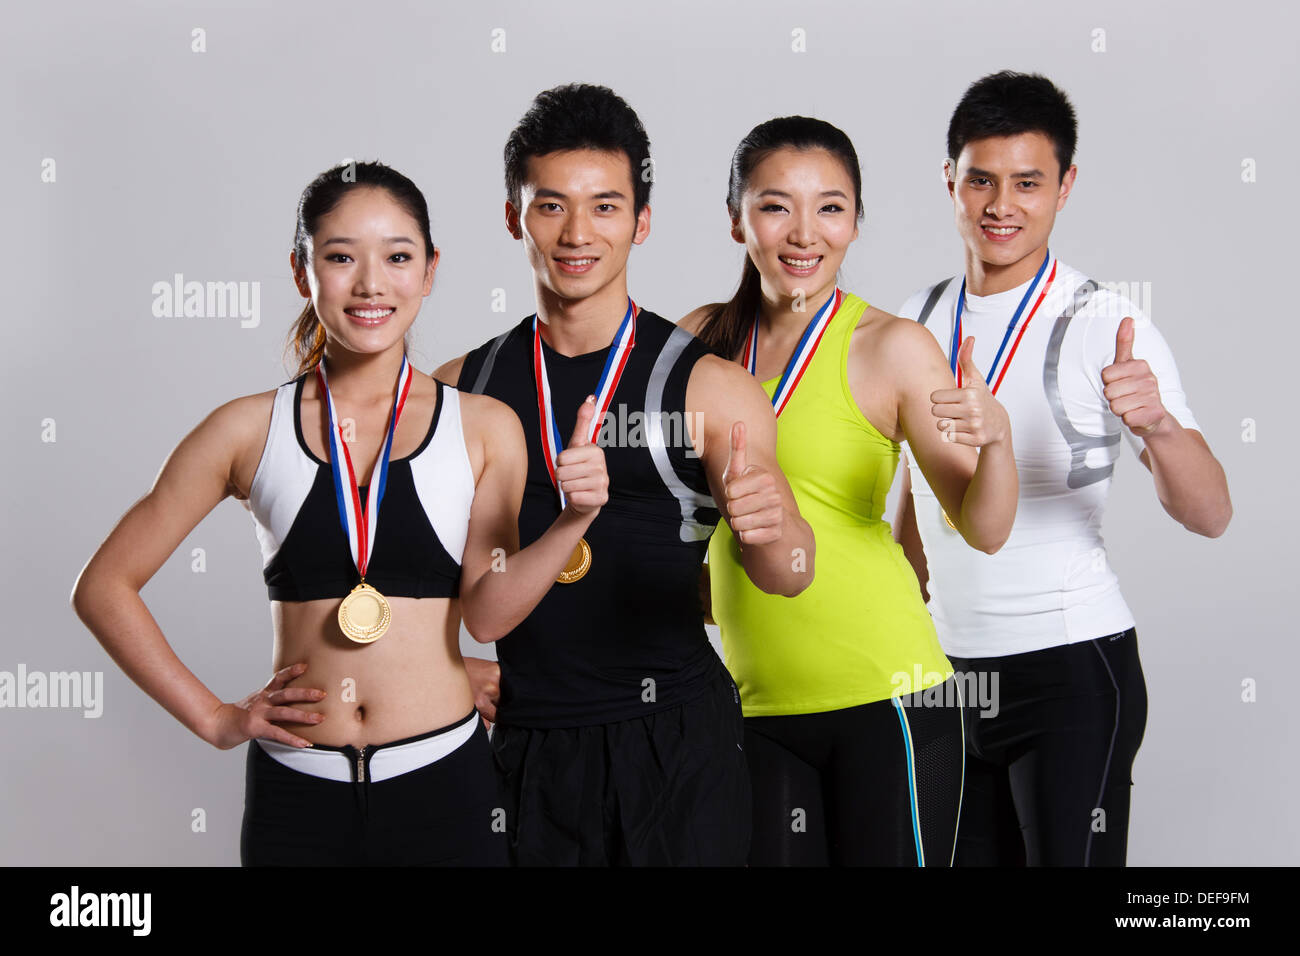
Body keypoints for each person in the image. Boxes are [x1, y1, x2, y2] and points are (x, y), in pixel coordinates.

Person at [70, 161, 609, 866]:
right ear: (302, 270)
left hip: (445, 781)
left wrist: (573, 520)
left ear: (430, 269)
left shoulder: (483, 426)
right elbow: (104, 587)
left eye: (397, 257)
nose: (371, 284)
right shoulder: (244, 430)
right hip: (299, 793)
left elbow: (487, 614)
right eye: (340, 257)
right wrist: (216, 717)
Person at [435, 83, 816, 866]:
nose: (578, 232)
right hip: (528, 739)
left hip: (677, 739)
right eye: (551, 206)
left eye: (605, 206)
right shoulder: (459, 389)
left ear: (641, 222)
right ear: (515, 216)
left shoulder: (711, 386)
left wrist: (774, 523)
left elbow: (787, 576)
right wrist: (446, 669)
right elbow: (417, 570)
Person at [894, 71, 1232, 866]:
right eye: (980, 180)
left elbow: (1211, 513)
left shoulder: (1108, 323)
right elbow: (914, 501)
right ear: (949, 181)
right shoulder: (911, 318)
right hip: (943, 672)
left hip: (1070, 670)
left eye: (1027, 183)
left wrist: (1155, 423)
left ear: (1065, 186)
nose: (1000, 205)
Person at [679, 116, 1019, 865]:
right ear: (737, 219)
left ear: (856, 223)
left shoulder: (892, 347)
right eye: (776, 206)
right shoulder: (700, 340)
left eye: (830, 207)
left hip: (889, 697)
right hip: (751, 704)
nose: (805, 233)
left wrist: (996, 441)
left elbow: (985, 527)